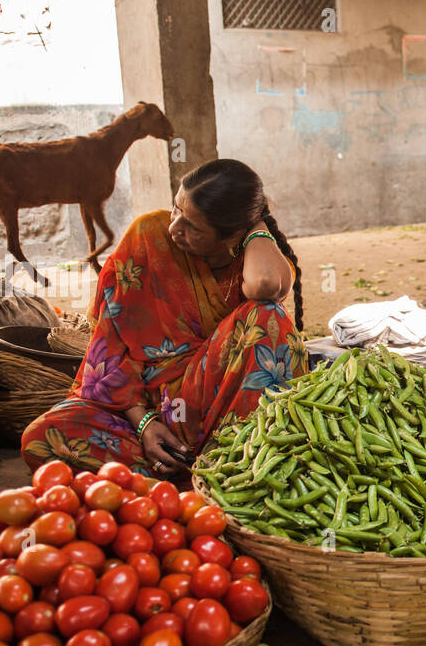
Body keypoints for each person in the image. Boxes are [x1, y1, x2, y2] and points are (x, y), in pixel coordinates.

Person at [21, 159, 307, 477]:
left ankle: (237, 467)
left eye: (193, 227)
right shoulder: (149, 237)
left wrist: (257, 228)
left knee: (267, 316)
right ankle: (199, 473)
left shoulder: (255, 254)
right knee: (44, 438)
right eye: (176, 209)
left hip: (228, 416)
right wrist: (144, 424)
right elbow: (111, 345)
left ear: (232, 233)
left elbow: (265, 286)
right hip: (146, 405)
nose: (174, 228)